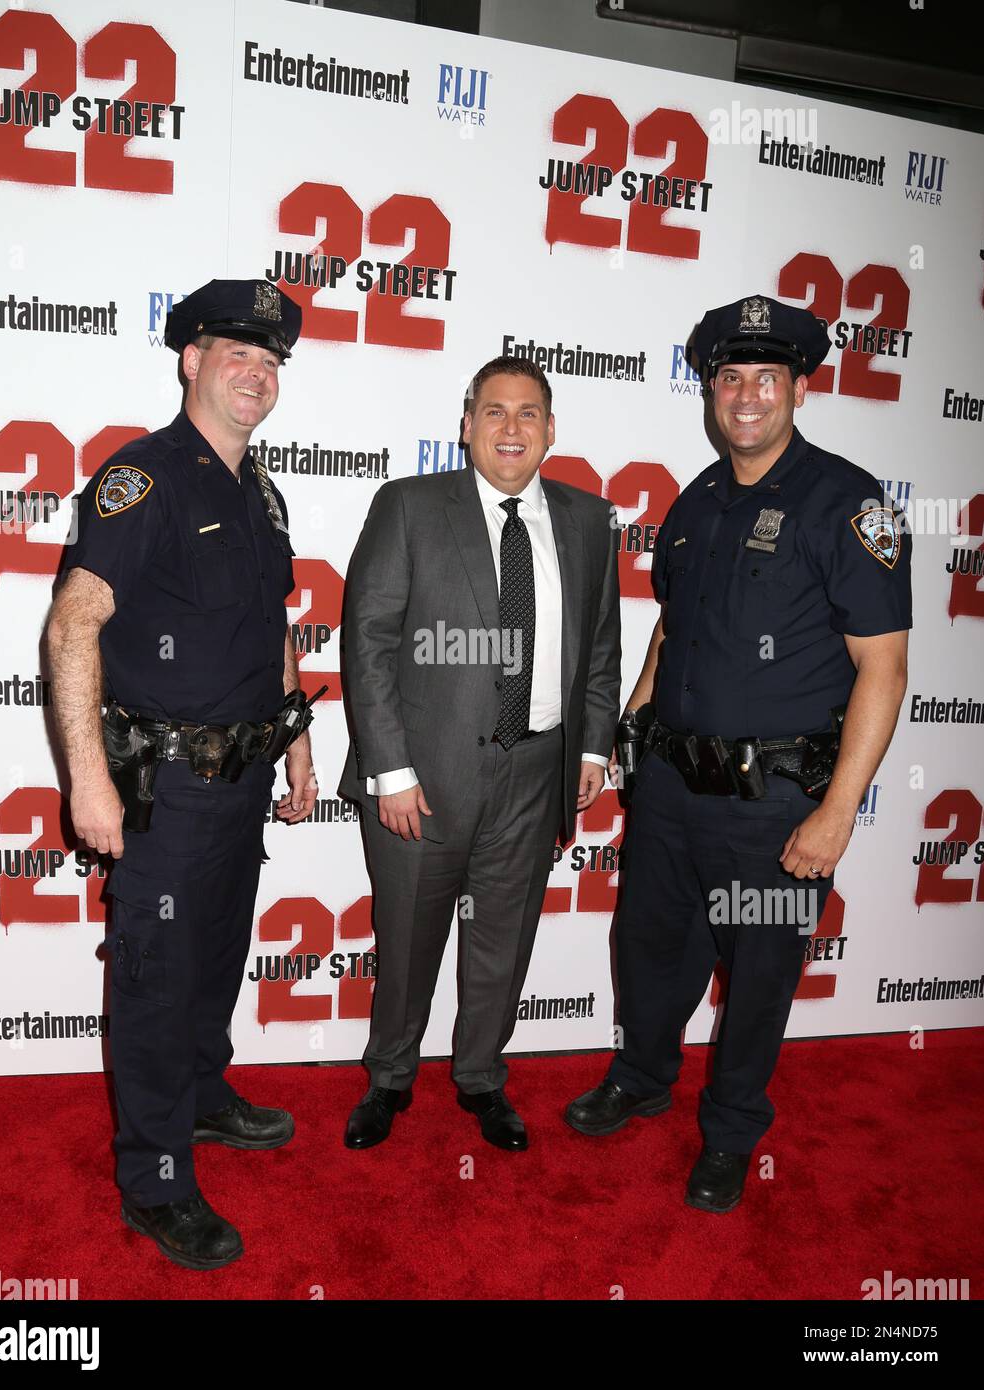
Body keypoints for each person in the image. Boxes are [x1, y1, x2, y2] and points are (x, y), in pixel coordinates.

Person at [566, 295, 911, 1212]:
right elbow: (673, 635)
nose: (748, 395)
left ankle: (729, 1132)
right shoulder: (696, 501)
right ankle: (641, 1078)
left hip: (775, 807)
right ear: (711, 392)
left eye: (767, 377)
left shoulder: (848, 501)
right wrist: (624, 732)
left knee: (758, 976)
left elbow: (883, 670)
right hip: (671, 790)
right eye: (731, 378)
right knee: (649, 951)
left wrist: (836, 812)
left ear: (800, 386)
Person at [46, 279, 316, 1270]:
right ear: (189, 361)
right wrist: (87, 779)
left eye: (272, 360)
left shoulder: (261, 489)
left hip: (242, 781)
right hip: (163, 789)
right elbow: (75, 622)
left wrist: (295, 738)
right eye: (236, 352)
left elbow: (271, 627)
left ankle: (202, 1097)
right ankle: (154, 1180)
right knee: (157, 981)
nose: (257, 371)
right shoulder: (142, 476)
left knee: (213, 958)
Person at [338, 356, 620, 1151]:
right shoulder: (410, 506)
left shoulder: (590, 521)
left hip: (537, 773)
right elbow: (368, 639)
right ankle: (390, 1077)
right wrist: (388, 768)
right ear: (466, 425)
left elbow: (600, 649)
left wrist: (593, 746)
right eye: (493, 412)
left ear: (551, 430)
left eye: (528, 414)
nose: (511, 429)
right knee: (408, 940)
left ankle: (481, 1077)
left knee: (504, 939)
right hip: (420, 780)